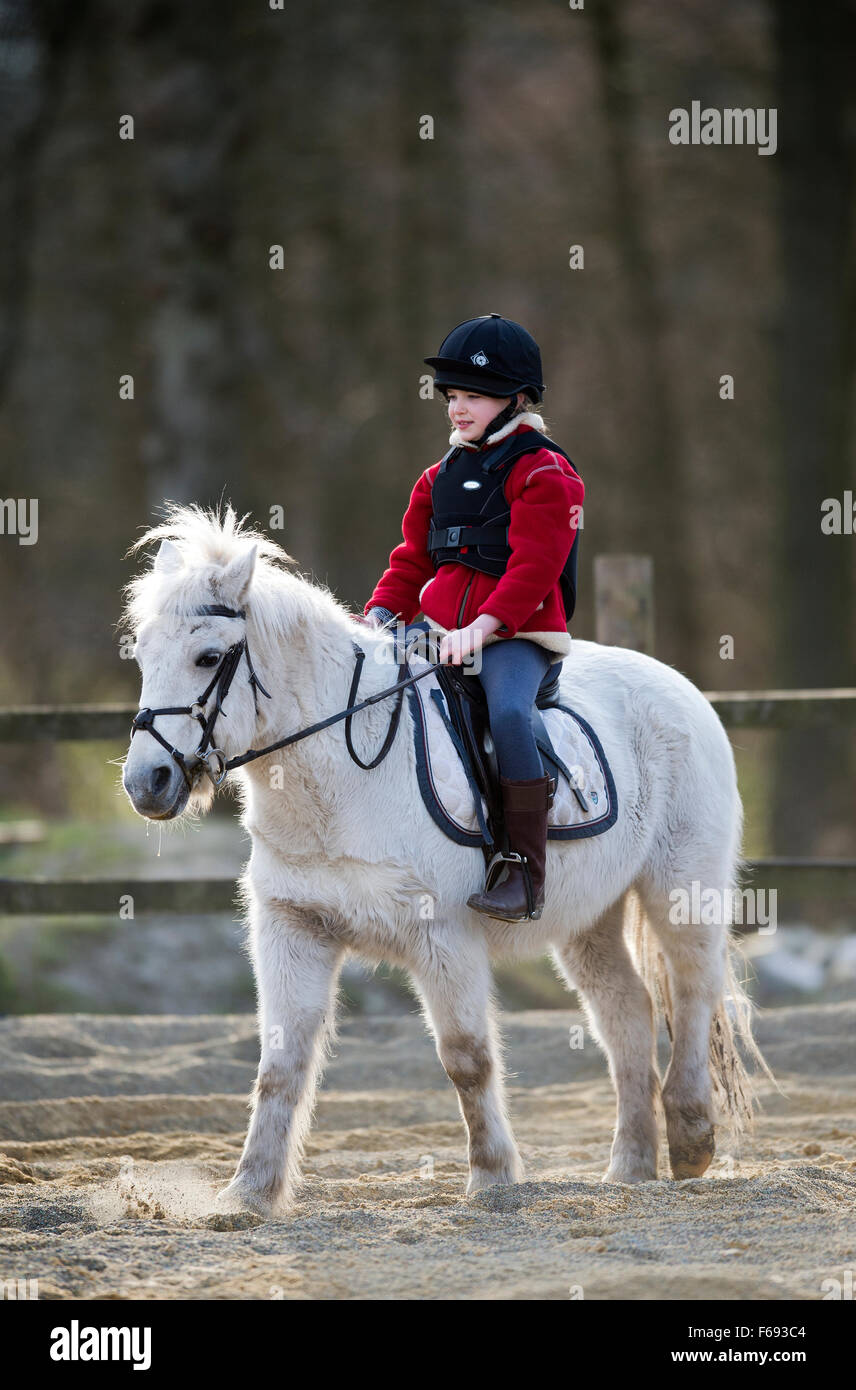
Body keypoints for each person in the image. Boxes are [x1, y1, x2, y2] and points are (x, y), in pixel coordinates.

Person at [360, 314, 584, 921]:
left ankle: (523, 873)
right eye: (452, 396)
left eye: (474, 396)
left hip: (517, 636)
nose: (458, 409)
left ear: (515, 398)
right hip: (439, 633)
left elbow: (534, 569)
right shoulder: (436, 478)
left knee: (509, 712)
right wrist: (379, 612)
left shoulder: (547, 473)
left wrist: (482, 629)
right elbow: (410, 561)